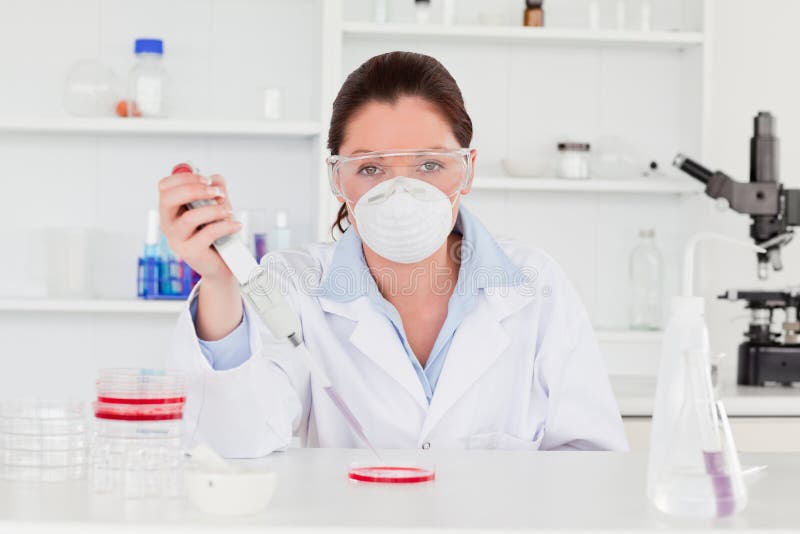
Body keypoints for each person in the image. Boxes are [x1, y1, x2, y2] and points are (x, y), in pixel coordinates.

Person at [161, 51, 628, 457]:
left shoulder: (533, 285)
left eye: (430, 164)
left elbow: (591, 460)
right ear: (338, 180)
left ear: (467, 171)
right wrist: (221, 283)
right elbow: (234, 443)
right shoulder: (290, 283)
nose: (401, 193)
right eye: (369, 167)